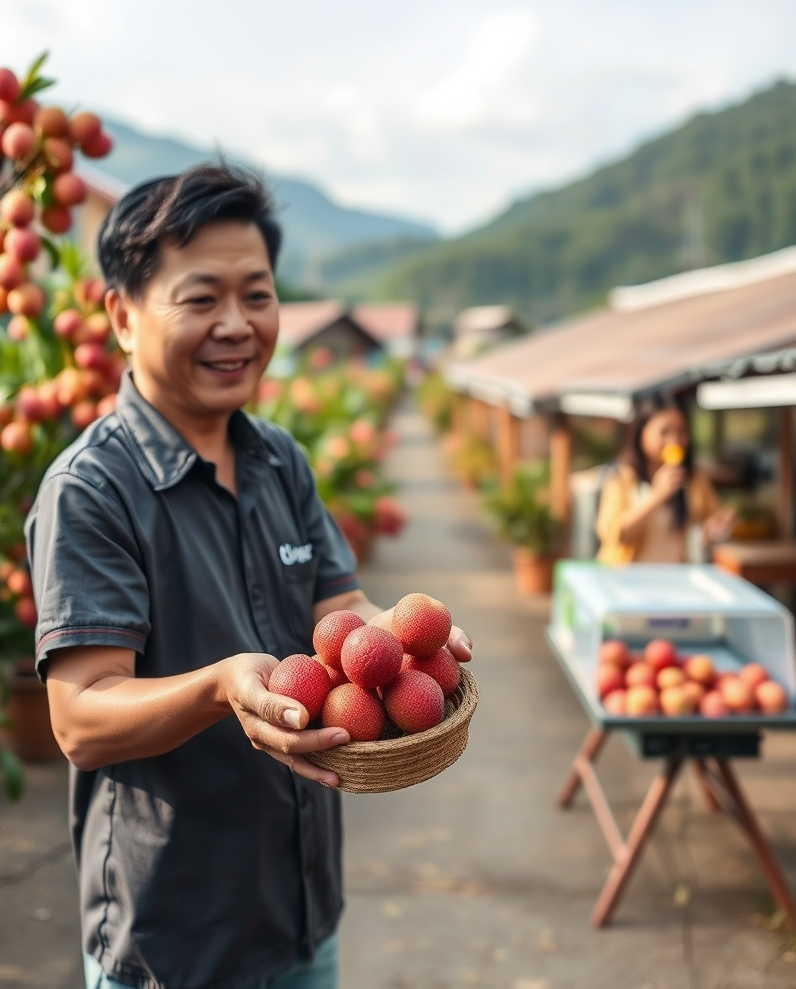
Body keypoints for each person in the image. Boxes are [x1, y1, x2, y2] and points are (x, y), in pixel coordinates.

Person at [24, 162, 472, 989]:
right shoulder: (91, 490)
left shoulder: (278, 460)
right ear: (121, 316)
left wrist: (404, 638)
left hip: (300, 906)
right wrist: (221, 688)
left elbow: (341, 604)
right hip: (174, 936)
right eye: (201, 299)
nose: (236, 325)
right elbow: (80, 719)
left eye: (257, 295)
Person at [595, 392, 736, 565]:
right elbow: (613, 534)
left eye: (681, 431)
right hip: (626, 576)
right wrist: (656, 496)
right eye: (664, 432)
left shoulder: (693, 478)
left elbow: (710, 519)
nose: (674, 440)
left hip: (675, 576)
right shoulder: (622, 476)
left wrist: (716, 528)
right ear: (642, 433)